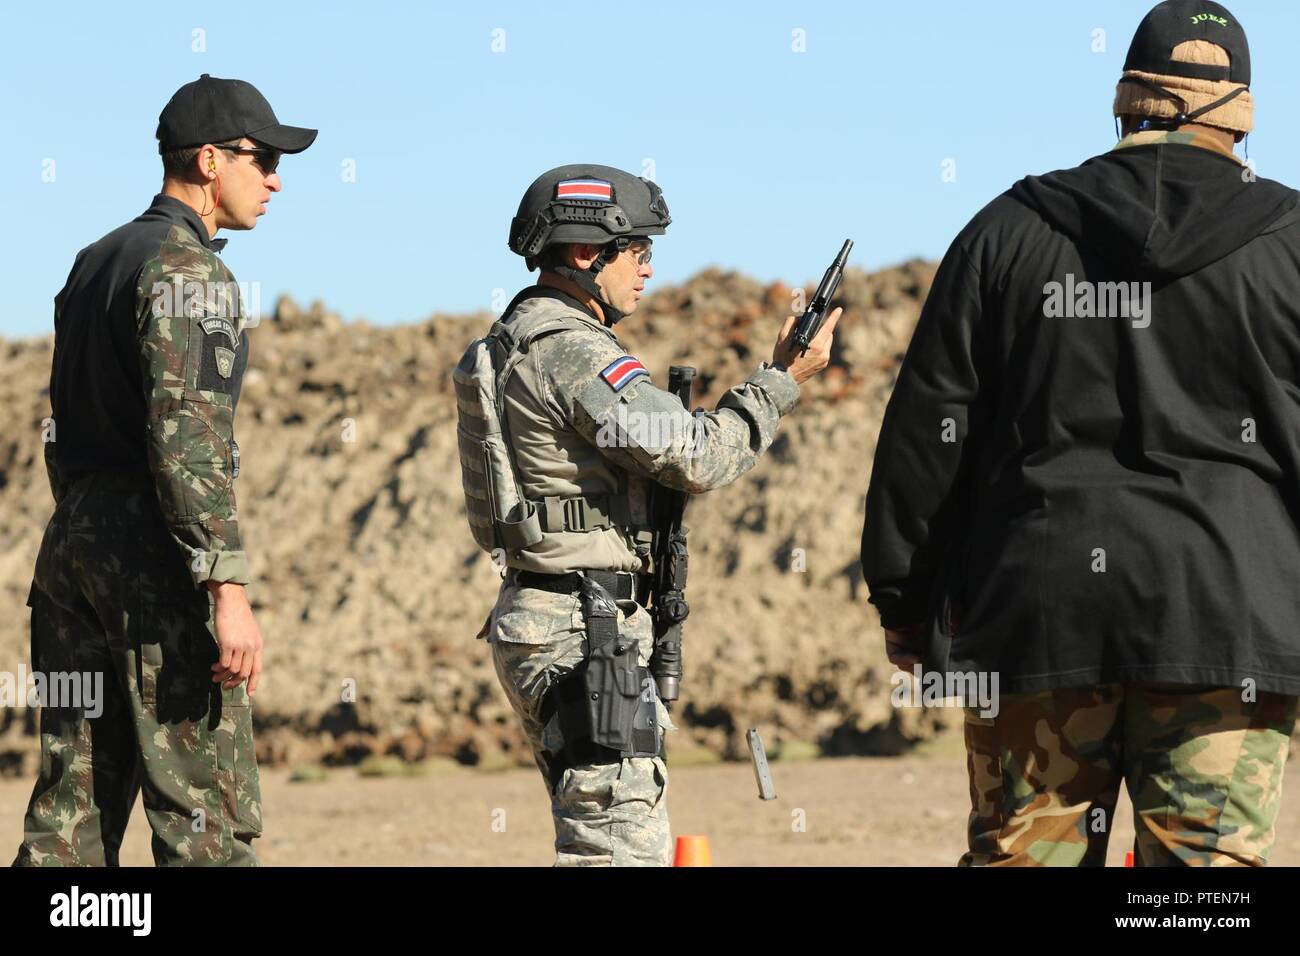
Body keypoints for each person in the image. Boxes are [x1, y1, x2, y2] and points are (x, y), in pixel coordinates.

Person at [861, 0, 1300, 867]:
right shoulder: (1290, 242)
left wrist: (904, 604)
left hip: (1034, 614)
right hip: (1226, 612)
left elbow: (931, 430)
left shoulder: (1008, 231)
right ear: (1242, 113)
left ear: (1126, 101)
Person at [457, 164, 840, 865]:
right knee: (616, 851)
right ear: (583, 253)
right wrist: (780, 384)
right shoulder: (571, 349)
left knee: (602, 836)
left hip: (553, 618)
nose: (649, 271)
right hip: (583, 631)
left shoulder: (511, 338)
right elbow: (694, 455)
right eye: (638, 253)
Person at [14, 74, 316, 866]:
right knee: (206, 815)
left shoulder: (94, 261)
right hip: (153, 558)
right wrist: (226, 586)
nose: (277, 179)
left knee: (70, 814)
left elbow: (60, 422)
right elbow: (187, 443)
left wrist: (91, 528)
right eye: (264, 160)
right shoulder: (189, 272)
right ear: (211, 161)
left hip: (73, 546)